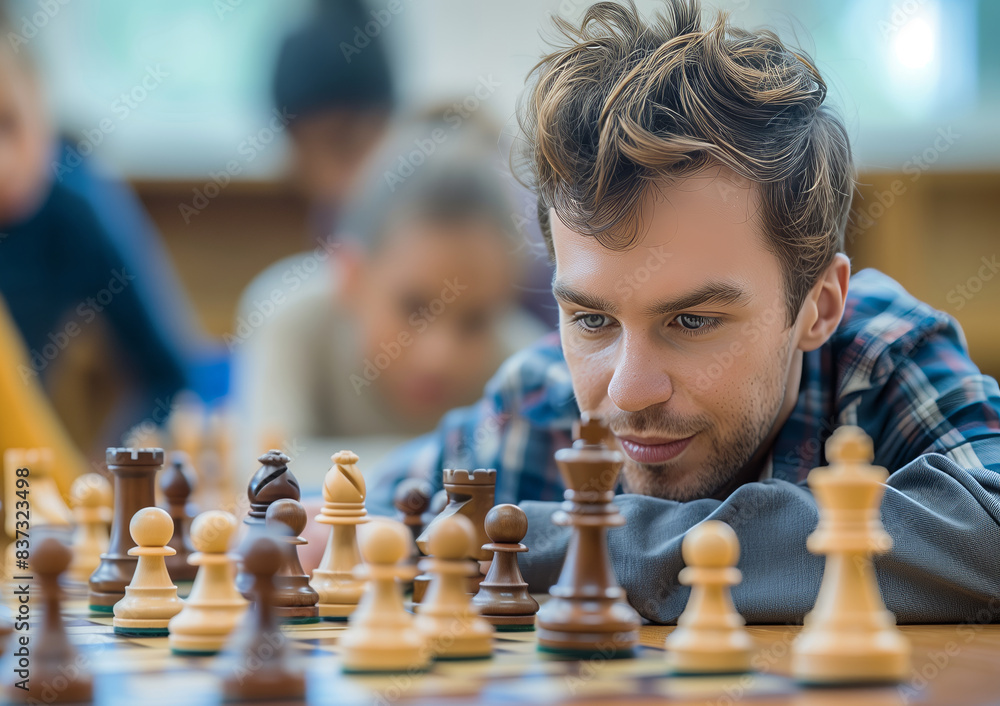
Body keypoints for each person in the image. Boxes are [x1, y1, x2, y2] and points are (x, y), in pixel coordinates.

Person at [370, 0, 1000, 624]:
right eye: (592, 320)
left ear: (820, 306)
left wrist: (558, 542)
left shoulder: (884, 356)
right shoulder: (540, 401)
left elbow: (990, 537)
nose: (629, 390)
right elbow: (369, 516)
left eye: (692, 321)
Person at [230, 115, 547, 487]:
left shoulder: (524, 362)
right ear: (350, 277)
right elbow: (264, 473)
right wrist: (454, 469)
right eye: (414, 308)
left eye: (475, 320)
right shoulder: (289, 314)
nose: (438, 356)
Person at [0, 27, 193, 454]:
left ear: (40, 100)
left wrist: (116, 471)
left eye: (9, 122)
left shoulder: (79, 208)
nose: (4, 163)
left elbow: (169, 376)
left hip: (22, 475)